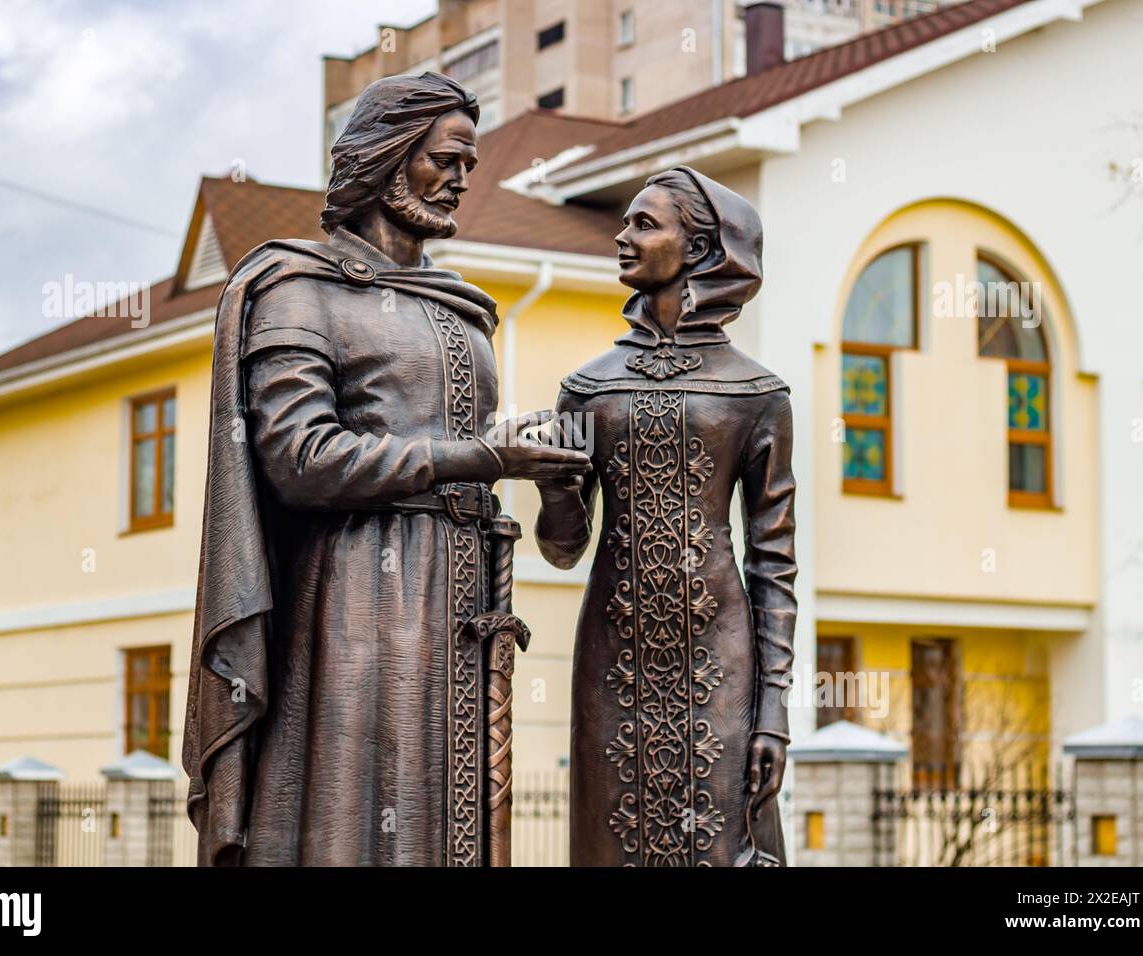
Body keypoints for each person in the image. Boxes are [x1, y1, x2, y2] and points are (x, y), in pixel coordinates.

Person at [182, 72, 589, 866]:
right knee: (361, 805)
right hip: (357, 589)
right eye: (446, 158)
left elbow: (467, 454)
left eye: (470, 164)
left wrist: (535, 470)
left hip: (464, 595)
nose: (461, 178)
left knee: (456, 818)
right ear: (388, 155)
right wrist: (485, 455)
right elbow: (302, 459)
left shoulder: (455, 304)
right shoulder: (300, 291)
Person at [535, 166, 797, 866]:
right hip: (610, 662)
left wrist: (773, 707)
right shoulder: (587, 388)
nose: (622, 237)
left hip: (724, 661)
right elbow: (563, 549)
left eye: (644, 224)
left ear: (704, 248)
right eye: (625, 223)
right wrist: (556, 488)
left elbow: (773, 561)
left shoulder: (756, 393)